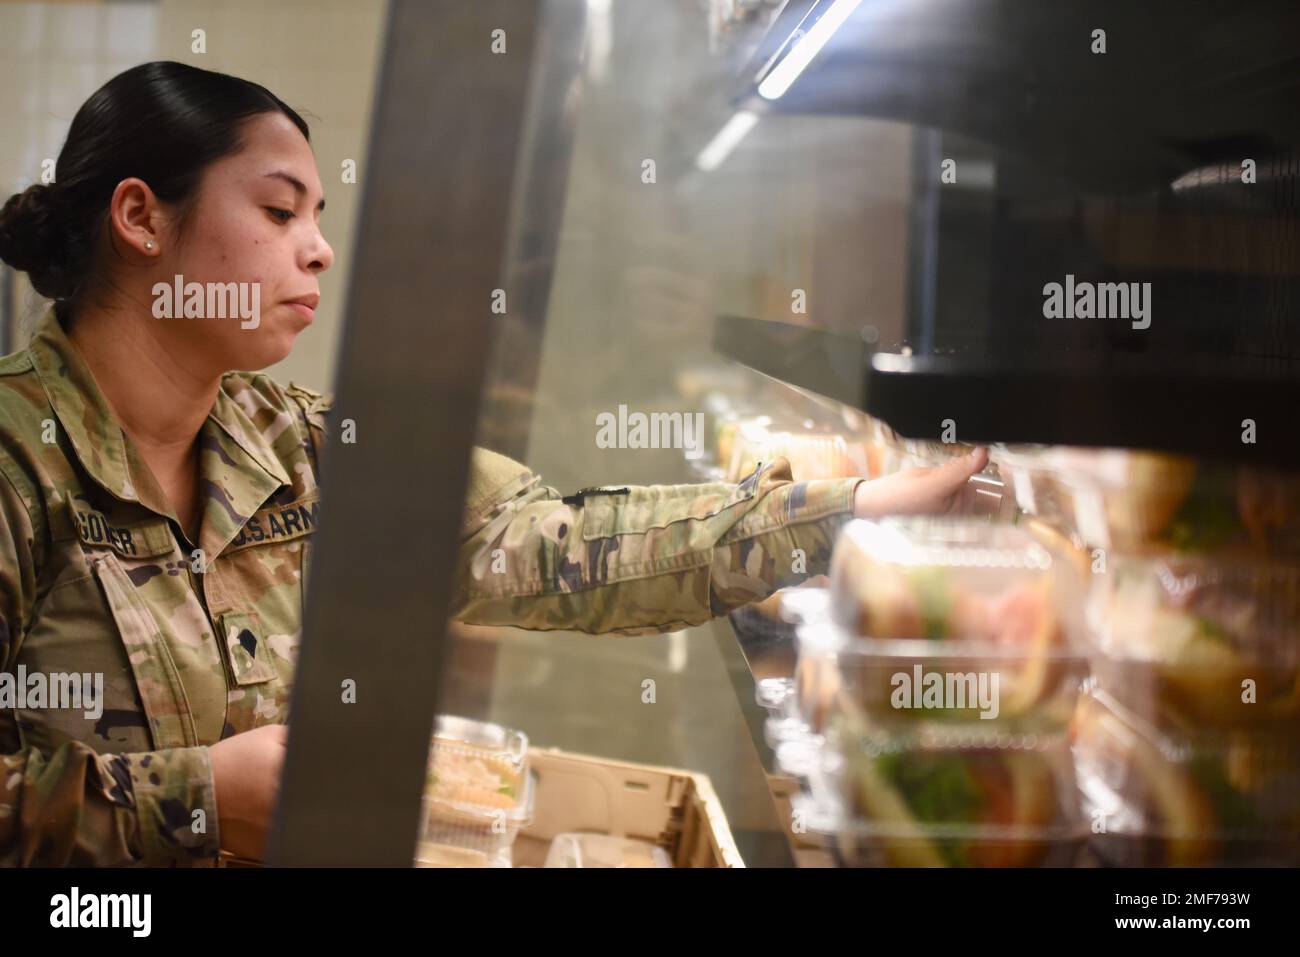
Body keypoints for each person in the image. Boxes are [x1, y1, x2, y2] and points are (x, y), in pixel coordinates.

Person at [0, 61, 987, 866]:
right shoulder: (17, 463)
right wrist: (192, 802)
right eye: (278, 211)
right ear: (141, 218)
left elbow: (556, 544)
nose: (319, 251)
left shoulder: (298, 445)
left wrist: (856, 506)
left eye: (321, 216)